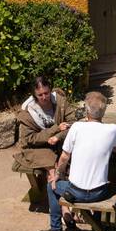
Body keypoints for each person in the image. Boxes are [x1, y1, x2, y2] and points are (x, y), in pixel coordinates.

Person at [38, 91, 116, 231]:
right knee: (110, 182)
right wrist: (109, 145)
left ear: (86, 110)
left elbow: (64, 157)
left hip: (75, 192)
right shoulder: (113, 130)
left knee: (51, 186)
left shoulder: (77, 127)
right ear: (104, 111)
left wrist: (57, 175)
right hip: (99, 193)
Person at [12, 76, 74, 211]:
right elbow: (30, 138)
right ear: (34, 95)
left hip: (60, 142)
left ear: (50, 90)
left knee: (73, 163)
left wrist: (58, 136)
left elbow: (71, 123)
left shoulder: (60, 102)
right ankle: (64, 209)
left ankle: (70, 205)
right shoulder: (28, 112)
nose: (44, 97)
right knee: (53, 170)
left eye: (46, 93)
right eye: (40, 95)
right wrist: (55, 129)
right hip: (37, 147)